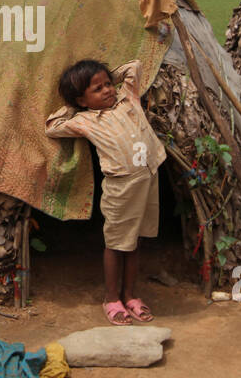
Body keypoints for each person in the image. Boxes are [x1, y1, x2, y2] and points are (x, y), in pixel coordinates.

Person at [45, 57, 167, 325]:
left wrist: (110, 74)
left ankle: (130, 295)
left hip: (149, 177)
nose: (108, 90)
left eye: (108, 84)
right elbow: (52, 127)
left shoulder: (128, 99)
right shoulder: (85, 121)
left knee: (135, 241)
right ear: (82, 100)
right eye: (97, 89)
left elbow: (134, 66)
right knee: (116, 243)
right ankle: (112, 298)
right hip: (121, 186)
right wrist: (73, 107)